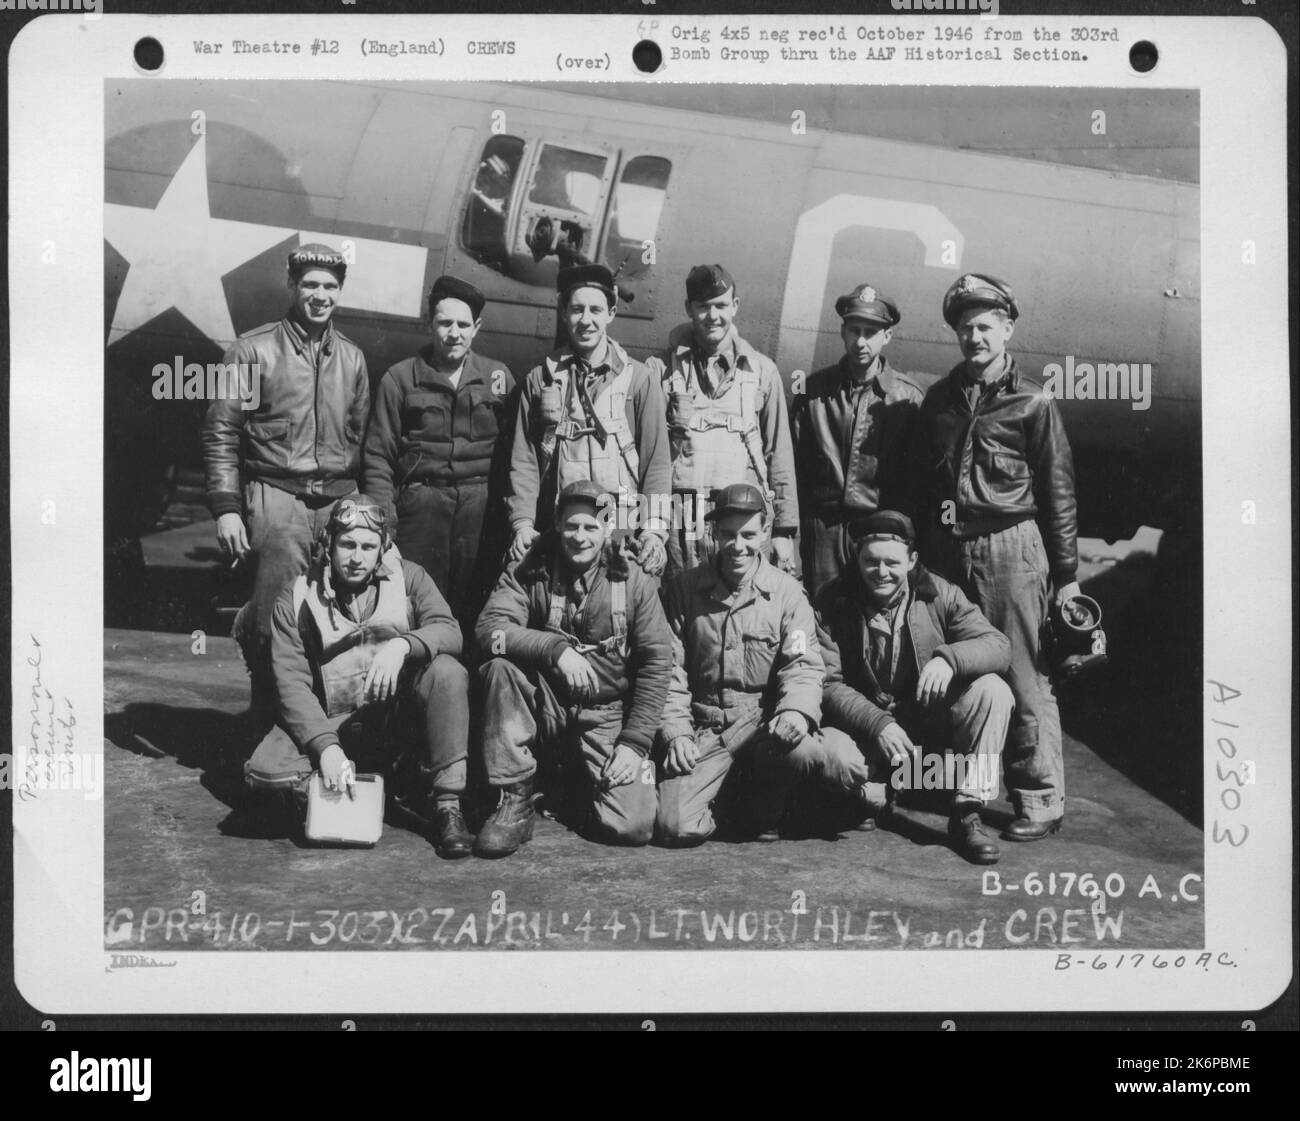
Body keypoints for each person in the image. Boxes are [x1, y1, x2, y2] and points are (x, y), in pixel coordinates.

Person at [915, 273, 1080, 842]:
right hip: (951, 551)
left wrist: (1068, 581)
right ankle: (967, 788)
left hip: (1012, 546)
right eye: (965, 327)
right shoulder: (939, 400)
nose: (974, 336)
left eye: (985, 326)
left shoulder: (1033, 401)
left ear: (1007, 328)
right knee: (962, 663)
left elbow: (1058, 496)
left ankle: (1039, 796)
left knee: (1024, 671)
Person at [242, 496, 474, 858]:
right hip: (336, 719)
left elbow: (450, 631)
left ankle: (447, 805)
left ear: (383, 548)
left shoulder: (410, 577)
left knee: (447, 672)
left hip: (397, 719)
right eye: (347, 544)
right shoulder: (298, 595)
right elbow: (291, 682)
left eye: (368, 546)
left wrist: (402, 646)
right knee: (265, 770)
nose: (356, 557)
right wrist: (326, 747)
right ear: (329, 544)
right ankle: (350, 790)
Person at [203, 243, 369, 735]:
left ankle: (322, 724)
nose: (320, 295)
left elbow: (359, 438)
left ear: (340, 292)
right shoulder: (252, 349)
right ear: (293, 287)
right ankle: (267, 718)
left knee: (336, 610)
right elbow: (221, 430)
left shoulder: (354, 359)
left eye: (330, 286)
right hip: (277, 491)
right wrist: (226, 508)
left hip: (337, 498)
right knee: (276, 611)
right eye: (311, 285)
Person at [655, 483, 873, 846]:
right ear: (712, 533)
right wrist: (676, 731)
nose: (737, 546)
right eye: (727, 534)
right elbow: (667, 668)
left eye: (748, 535)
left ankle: (768, 805)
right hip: (707, 729)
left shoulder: (787, 593)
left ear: (766, 533)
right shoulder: (683, 590)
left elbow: (802, 662)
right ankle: (738, 802)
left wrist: (796, 712)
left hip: (764, 726)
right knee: (675, 826)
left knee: (828, 758)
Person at [474, 481, 672, 857]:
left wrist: (634, 744)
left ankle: (574, 787)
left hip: (605, 713)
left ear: (608, 528)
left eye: (591, 527)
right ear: (556, 524)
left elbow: (656, 663)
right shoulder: (530, 565)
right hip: (546, 704)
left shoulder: (634, 578)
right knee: (500, 667)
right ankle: (515, 798)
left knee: (634, 826)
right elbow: (490, 631)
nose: (579, 537)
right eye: (571, 526)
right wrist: (554, 649)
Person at [815, 511, 1014, 863]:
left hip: (924, 734)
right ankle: (875, 792)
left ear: (911, 561)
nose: (881, 571)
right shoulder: (833, 601)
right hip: (867, 730)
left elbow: (999, 646)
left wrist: (948, 659)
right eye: (871, 561)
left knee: (993, 690)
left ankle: (968, 810)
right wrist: (877, 722)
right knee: (833, 763)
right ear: (856, 560)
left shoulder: (941, 595)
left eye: (892, 562)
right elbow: (827, 683)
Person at [362, 275, 516, 646]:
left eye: (463, 325)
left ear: (476, 328)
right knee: (416, 606)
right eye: (445, 323)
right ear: (429, 323)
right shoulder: (399, 378)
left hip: (480, 512)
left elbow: (516, 455)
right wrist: (385, 526)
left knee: (475, 606)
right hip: (422, 508)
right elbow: (378, 457)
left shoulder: (498, 377)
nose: (453, 333)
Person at [507, 263, 670, 575]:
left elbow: (658, 465)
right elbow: (525, 461)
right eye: (577, 309)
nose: (586, 320)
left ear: (611, 312)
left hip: (623, 528)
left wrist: (654, 531)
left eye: (595, 309)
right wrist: (523, 524)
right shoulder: (539, 380)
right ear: (564, 312)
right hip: (567, 531)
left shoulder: (639, 380)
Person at [644, 264, 799, 576]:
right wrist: (650, 529)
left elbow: (779, 455)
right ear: (688, 308)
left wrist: (784, 531)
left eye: (721, 306)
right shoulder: (659, 370)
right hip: (681, 522)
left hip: (740, 523)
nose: (712, 316)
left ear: (735, 307)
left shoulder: (762, 373)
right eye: (703, 307)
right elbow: (649, 458)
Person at [791, 283, 924, 598]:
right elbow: (794, 468)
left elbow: (917, 483)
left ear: (887, 336)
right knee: (823, 618)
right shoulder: (812, 392)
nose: (861, 341)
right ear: (843, 332)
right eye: (854, 330)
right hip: (822, 532)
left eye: (871, 332)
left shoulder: (908, 398)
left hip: (880, 535)